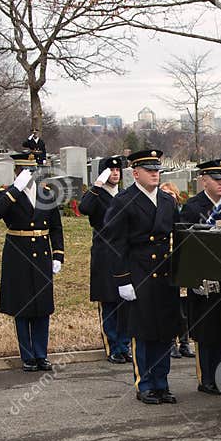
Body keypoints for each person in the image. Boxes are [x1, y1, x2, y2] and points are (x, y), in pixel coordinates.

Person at [104, 149, 183, 405]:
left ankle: (162, 383)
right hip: (138, 272)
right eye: (149, 170)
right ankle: (145, 383)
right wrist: (122, 279)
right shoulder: (124, 201)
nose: (154, 174)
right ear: (135, 173)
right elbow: (114, 243)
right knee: (144, 330)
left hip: (163, 273)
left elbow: (178, 237)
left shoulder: (168, 201)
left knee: (164, 331)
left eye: (157, 170)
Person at [0, 153, 64, 372]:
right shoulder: (6, 193)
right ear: (17, 172)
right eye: (25, 171)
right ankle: (27, 355)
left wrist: (58, 254)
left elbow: (56, 227)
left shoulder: (46, 193)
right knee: (22, 306)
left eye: (33, 171)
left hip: (41, 253)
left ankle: (41, 354)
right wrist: (15, 190)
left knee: (42, 307)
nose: (30, 175)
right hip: (18, 254)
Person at [180, 159, 221, 394]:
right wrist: (193, 279)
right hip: (203, 278)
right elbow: (186, 246)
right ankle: (207, 379)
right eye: (216, 179)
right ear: (204, 181)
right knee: (205, 332)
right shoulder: (193, 208)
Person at [79, 156, 132, 365]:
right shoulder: (97, 195)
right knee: (109, 300)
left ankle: (124, 345)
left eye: (118, 169)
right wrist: (97, 185)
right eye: (110, 169)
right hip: (104, 251)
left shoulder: (125, 195)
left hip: (124, 251)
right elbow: (84, 208)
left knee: (125, 302)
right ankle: (113, 347)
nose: (116, 172)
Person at [159, 180, 195, 360]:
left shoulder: (181, 215)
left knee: (183, 311)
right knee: (171, 308)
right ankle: (171, 343)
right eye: (164, 194)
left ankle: (185, 342)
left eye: (171, 194)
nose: (168, 197)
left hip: (181, 264)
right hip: (166, 266)